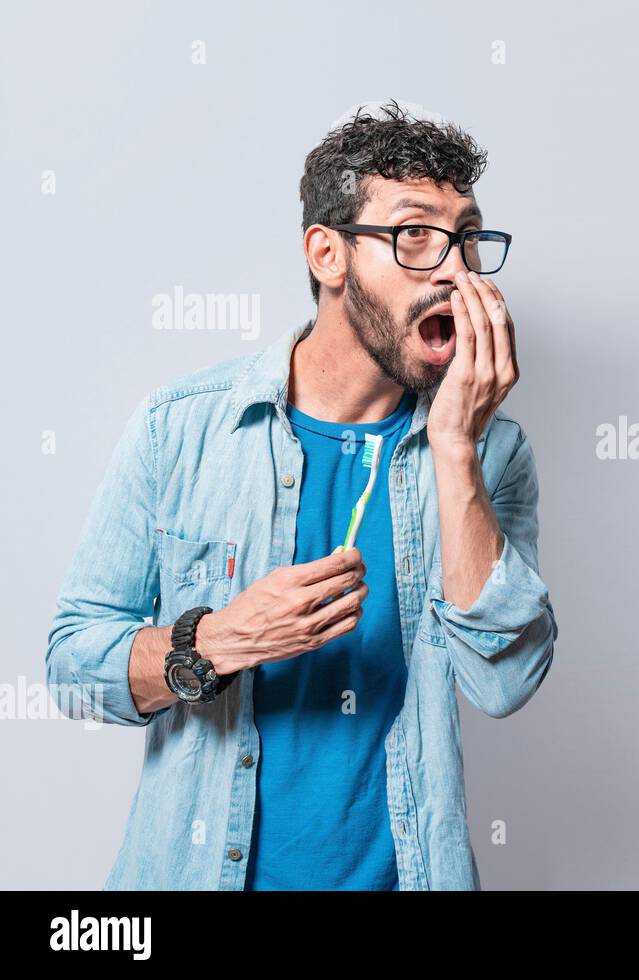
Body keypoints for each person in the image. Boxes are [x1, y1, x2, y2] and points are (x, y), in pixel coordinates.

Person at [46, 99, 557, 890]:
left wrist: (455, 444)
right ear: (329, 254)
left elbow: (504, 682)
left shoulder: (494, 453)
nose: (455, 270)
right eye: (415, 234)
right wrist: (211, 642)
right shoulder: (178, 430)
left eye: (466, 239)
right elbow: (74, 671)